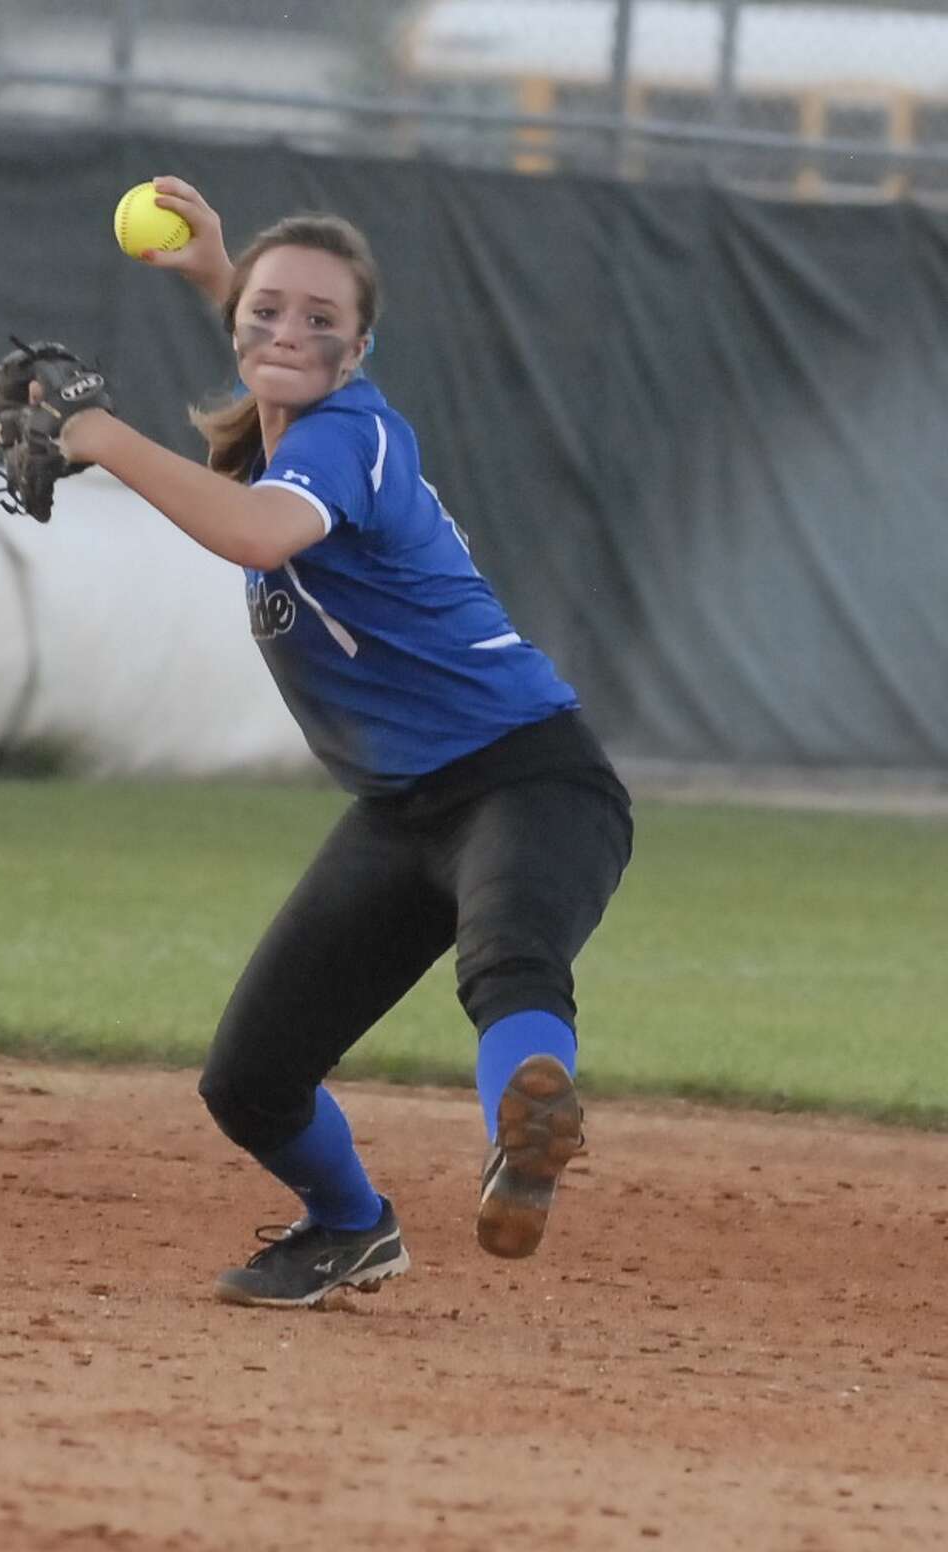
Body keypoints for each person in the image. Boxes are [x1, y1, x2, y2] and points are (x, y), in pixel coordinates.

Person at [52, 175, 633, 1309]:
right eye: (266, 308)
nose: (289, 330)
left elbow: (259, 536)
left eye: (323, 319)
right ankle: (350, 1227)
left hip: (531, 775)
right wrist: (222, 267)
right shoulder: (293, 427)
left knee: (509, 960)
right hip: (399, 810)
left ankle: (527, 1130)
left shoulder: (347, 437)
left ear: (362, 348)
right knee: (250, 1079)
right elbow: (273, 362)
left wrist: (99, 433)